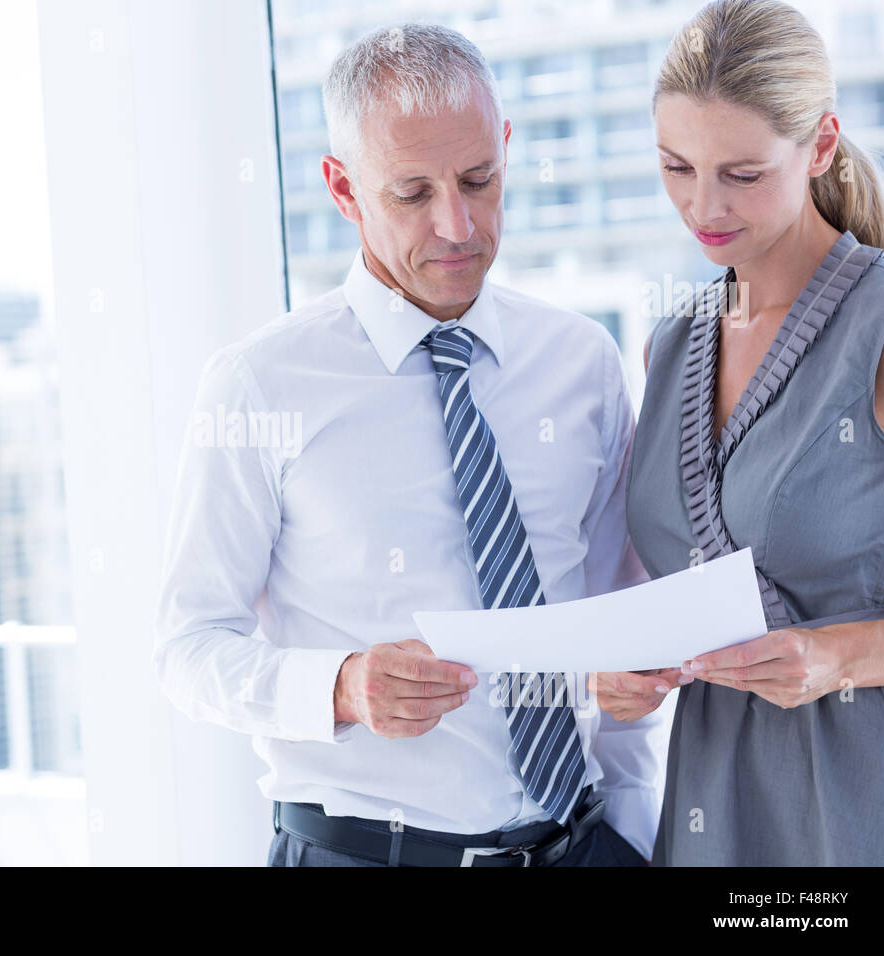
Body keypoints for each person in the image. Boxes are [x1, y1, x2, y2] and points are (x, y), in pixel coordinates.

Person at [153, 22, 664, 867]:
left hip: (578, 845)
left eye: (478, 180)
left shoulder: (581, 363)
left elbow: (619, 632)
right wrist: (341, 687)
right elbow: (186, 646)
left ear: (507, 148)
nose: (458, 225)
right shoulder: (259, 384)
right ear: (344, 189)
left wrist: (635, 837)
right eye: (412, 194)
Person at [594, 0, 884, 865]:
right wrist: (626, 678)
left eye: (742, 173)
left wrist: (837, 658)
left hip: (864, 799)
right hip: (714, 807)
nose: (702, 206)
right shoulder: (673, 344)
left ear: (822, 146)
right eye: (676, 166)